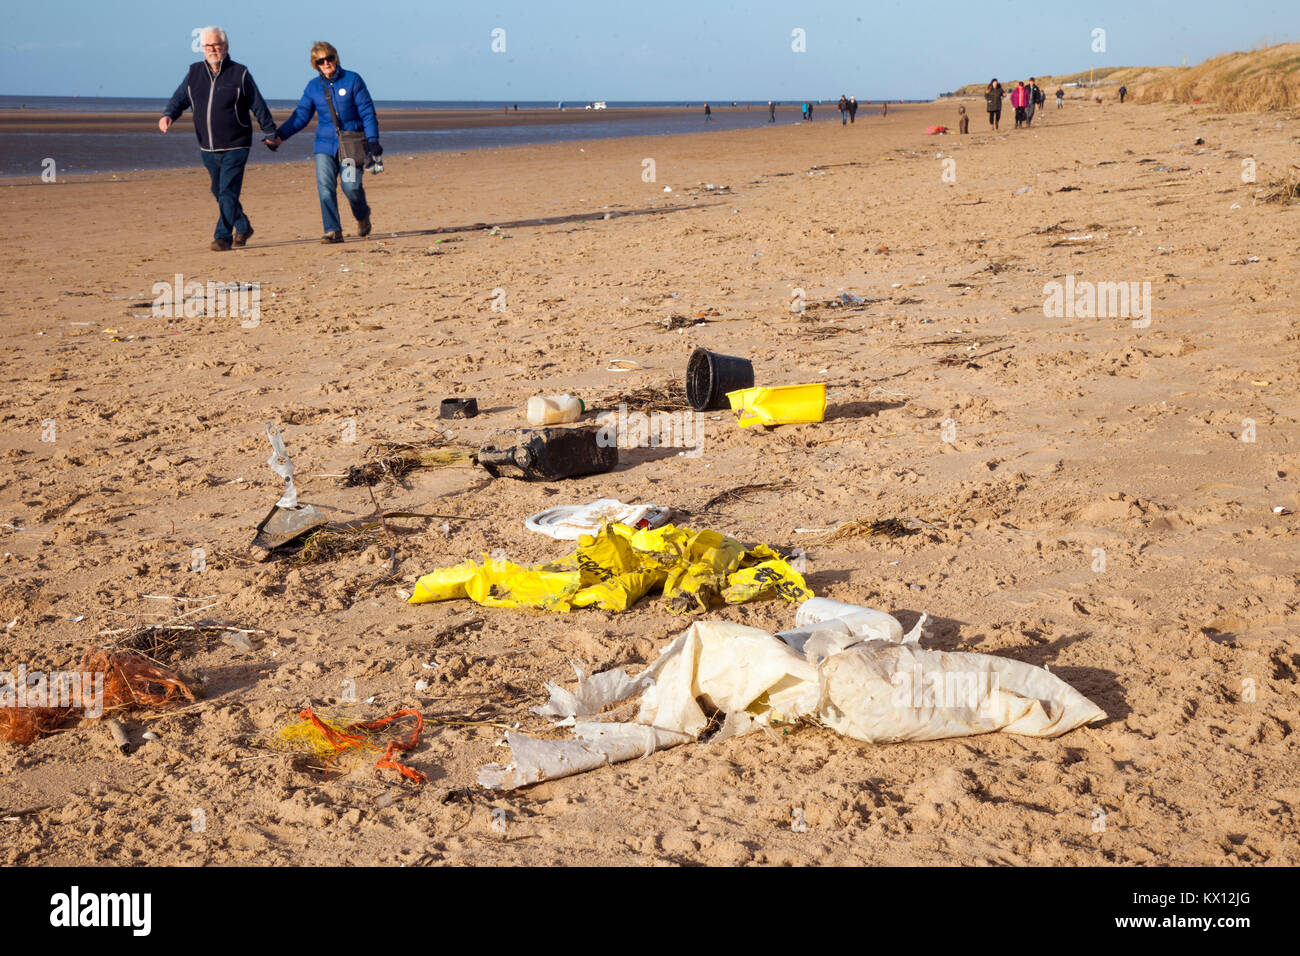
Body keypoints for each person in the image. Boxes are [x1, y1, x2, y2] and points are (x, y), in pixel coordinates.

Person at [159, 26, 278, 251]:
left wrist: (270, 133)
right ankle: (243, 226)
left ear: (226, 47)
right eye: (208, 46)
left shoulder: (240, 73)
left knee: (227, 192)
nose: (213, 49)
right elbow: (180, 98)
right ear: (202, 49)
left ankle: (223, 237)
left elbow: (258, 104)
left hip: (237, 144)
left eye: (217, 45)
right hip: (208, 146)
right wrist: (168, 115)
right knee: (219, 191)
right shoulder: (194, 73)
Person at [267, 42, 381, 243]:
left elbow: (367, 112)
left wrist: (372, 141)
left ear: (336, 58)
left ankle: (363, 216)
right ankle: (332, 230)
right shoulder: (313, 87)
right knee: (325, 188)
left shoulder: (353, 80)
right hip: (324, 146)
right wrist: (279, 136)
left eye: (330, 58)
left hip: (351, 146)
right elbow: (301, 116)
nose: (327, 63)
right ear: (315, 64)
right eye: (321, 60)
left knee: (351, 187)